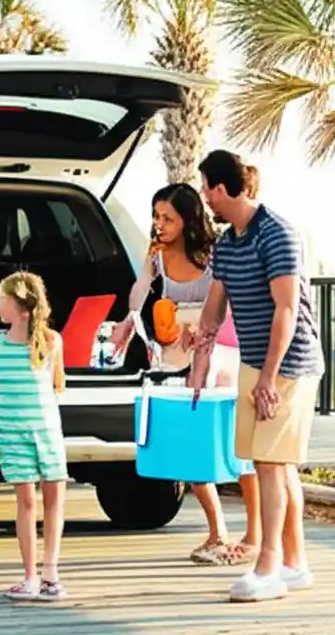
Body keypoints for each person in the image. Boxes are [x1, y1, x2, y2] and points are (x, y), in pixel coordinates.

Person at [187, 149, 325, 603]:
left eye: (206, 187)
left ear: (222, 189)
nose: (204, 197)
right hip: (255, 361)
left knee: (268, 462)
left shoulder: (278, 233)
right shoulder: (228, 244)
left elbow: (286, 310)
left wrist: (268, 377)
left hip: (289, 362)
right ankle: (295, 562)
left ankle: (267, 567)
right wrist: (200, 365)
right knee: (277, 463)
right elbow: (213, 309)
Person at [110, 181, 261, 567]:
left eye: (168, 218)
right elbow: (140, 290)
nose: (159, 224)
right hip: (178, 355)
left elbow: (230, 301)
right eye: (156, 217)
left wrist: (205, 329)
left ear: (188, 219)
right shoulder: (156, 254)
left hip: (220, 352)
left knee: (237, 443)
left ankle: (254, 535)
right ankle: (217, 533)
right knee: (193, 444)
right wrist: (130, 319)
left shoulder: (215, 253)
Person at [0, 271, 69, 601]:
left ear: (23, 308)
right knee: (26, 501)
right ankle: (30, 575)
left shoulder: (52, 341)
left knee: (54, 498)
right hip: (12, 430)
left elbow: (58, 383)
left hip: (46, 430)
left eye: (3, 299)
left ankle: (50, 572)